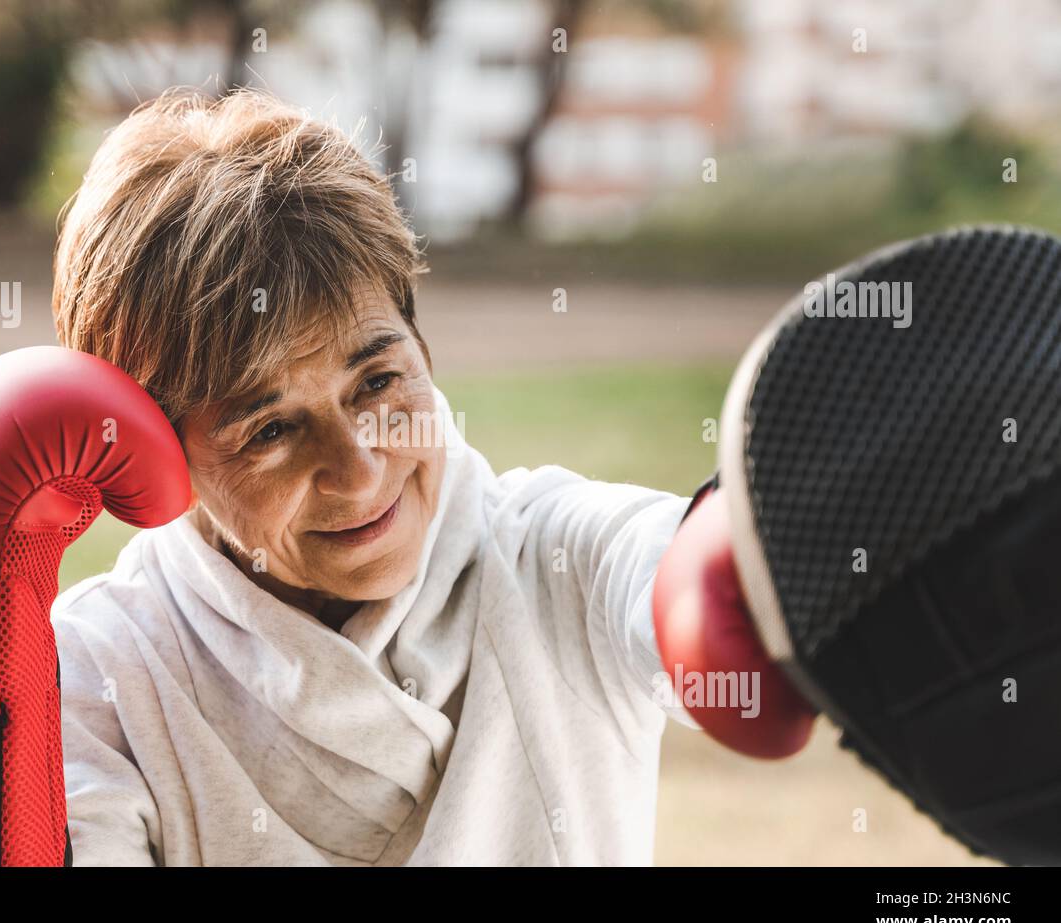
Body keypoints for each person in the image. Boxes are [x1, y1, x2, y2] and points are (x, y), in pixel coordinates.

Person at [49, 87, 705, 865]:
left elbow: (674, 571)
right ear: (156, 456)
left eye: (379, 382)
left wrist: (751, 583)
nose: (359, 473)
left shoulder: (559, 562)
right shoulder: (102, 673)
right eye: (271, 431)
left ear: (421, 347)